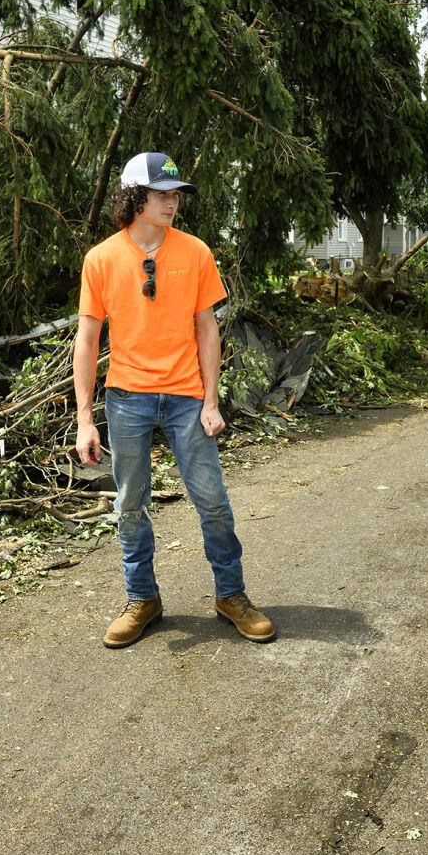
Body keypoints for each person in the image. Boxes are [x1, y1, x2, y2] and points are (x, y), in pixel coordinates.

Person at [72, 152, 276, 649]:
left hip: (187, 398)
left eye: (176, 193)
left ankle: (232, 595)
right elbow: (87, 338)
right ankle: (143, 599)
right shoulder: (100, 259)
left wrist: (211, 401)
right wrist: (84, 418)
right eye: (162, 193)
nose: (173, 202)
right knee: (131, 504)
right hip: (126, 399)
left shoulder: (195, 253)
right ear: (133, 197)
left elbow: (208, 329)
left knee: (212, 501)